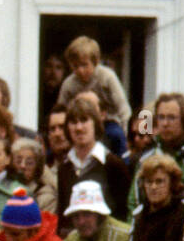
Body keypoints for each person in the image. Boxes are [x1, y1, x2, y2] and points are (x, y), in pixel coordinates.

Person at [55, 95, 130, 233]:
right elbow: (62, 215)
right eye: (73, 122)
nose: (78, 127)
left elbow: (122, 213)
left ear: (95, 123)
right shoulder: (64, 168)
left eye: (84, 121)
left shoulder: (113, 165)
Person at [126, 92, 184, 217]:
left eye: (172, 118)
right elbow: (134, 203)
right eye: (161, 117)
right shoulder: (145, 159)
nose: (165, 124)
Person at [55, 36, 132, 156]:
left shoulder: (107, 77)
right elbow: (61, 111)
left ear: (95, 62)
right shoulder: (69, 84)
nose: (80, 70)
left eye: (84, 65)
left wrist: (128, 136)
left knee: (116, 137)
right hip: (79, 125)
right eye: (75, 66)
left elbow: (123, 109)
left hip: (108, 123)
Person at [10, 136, 57, 216]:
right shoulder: (4, 188)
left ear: (37, 167)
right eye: (18, 161)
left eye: (29, 163)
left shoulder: (46, 196)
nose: (23, 166)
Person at [39, 53, 66, 133]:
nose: (53, 72)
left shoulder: (66, 96)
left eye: (58, 67)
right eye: (49, 66)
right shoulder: (35, 94)